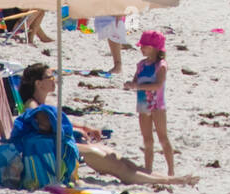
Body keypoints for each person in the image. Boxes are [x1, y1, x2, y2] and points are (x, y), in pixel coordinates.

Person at [18, 63, 197, 186]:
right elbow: (44, 125)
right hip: (55, 150)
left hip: (64, 144)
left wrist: (83, 128)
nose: (54, 79)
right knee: (116, 166)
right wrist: (71, 129)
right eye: (50, 76)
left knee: (115, 156)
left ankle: (162, 177)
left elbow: (55, 123)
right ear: (39, 83)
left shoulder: (41, 103)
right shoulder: (32, 105)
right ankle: (170, 181)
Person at [122, 30, 176, 176]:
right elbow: (136, 81)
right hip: (142, 105)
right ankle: (148, 169)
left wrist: (138, 86)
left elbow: (158, 85)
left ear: (152, 48)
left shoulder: (161, 65)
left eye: (144, 46)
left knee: (163, 138)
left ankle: (171, 170)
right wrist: (130, 84)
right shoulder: (141, 65)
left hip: (157, 106)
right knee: (147, 140)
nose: (141, 49)